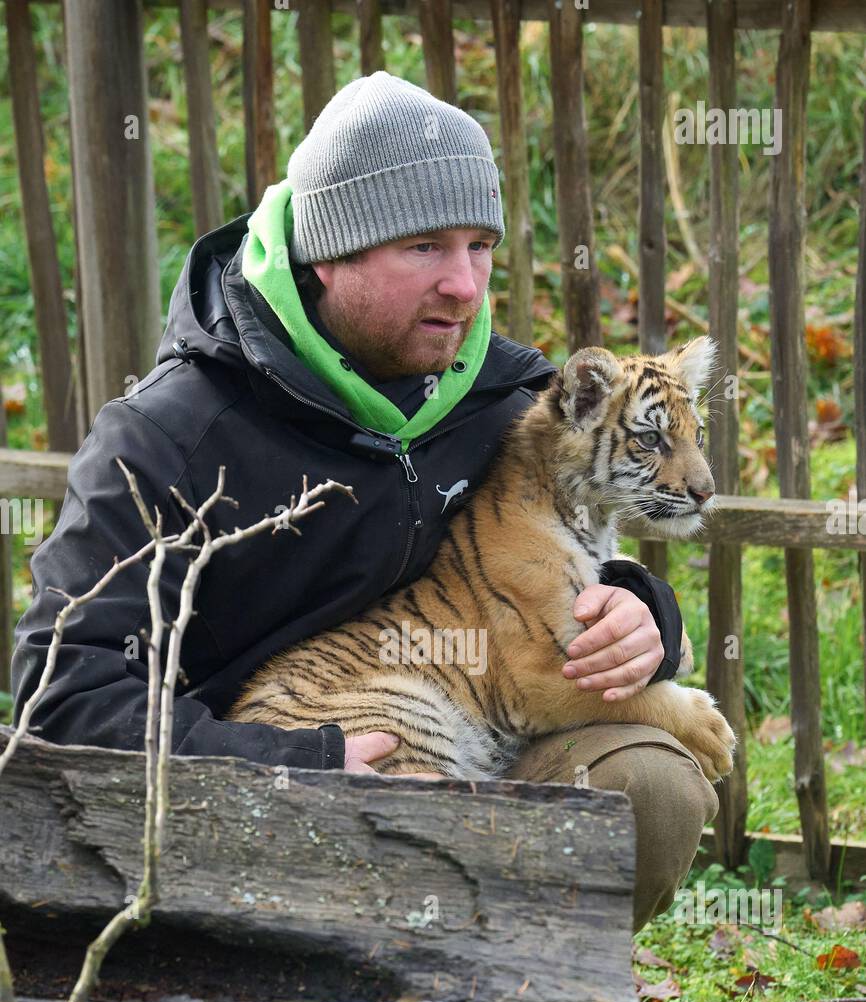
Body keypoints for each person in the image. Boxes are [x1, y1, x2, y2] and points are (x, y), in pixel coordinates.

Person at [11, 71, 718, 928]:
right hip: (239, 798)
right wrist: (299, 758)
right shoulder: (165, 438)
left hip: (460, 738)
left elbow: (566, 552)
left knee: (648, 785)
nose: (465, 285)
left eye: (480, 246)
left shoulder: (506, 398)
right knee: (389, 842)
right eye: (425, 247)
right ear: (330, 250)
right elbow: (65, 697)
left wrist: (646, 614)